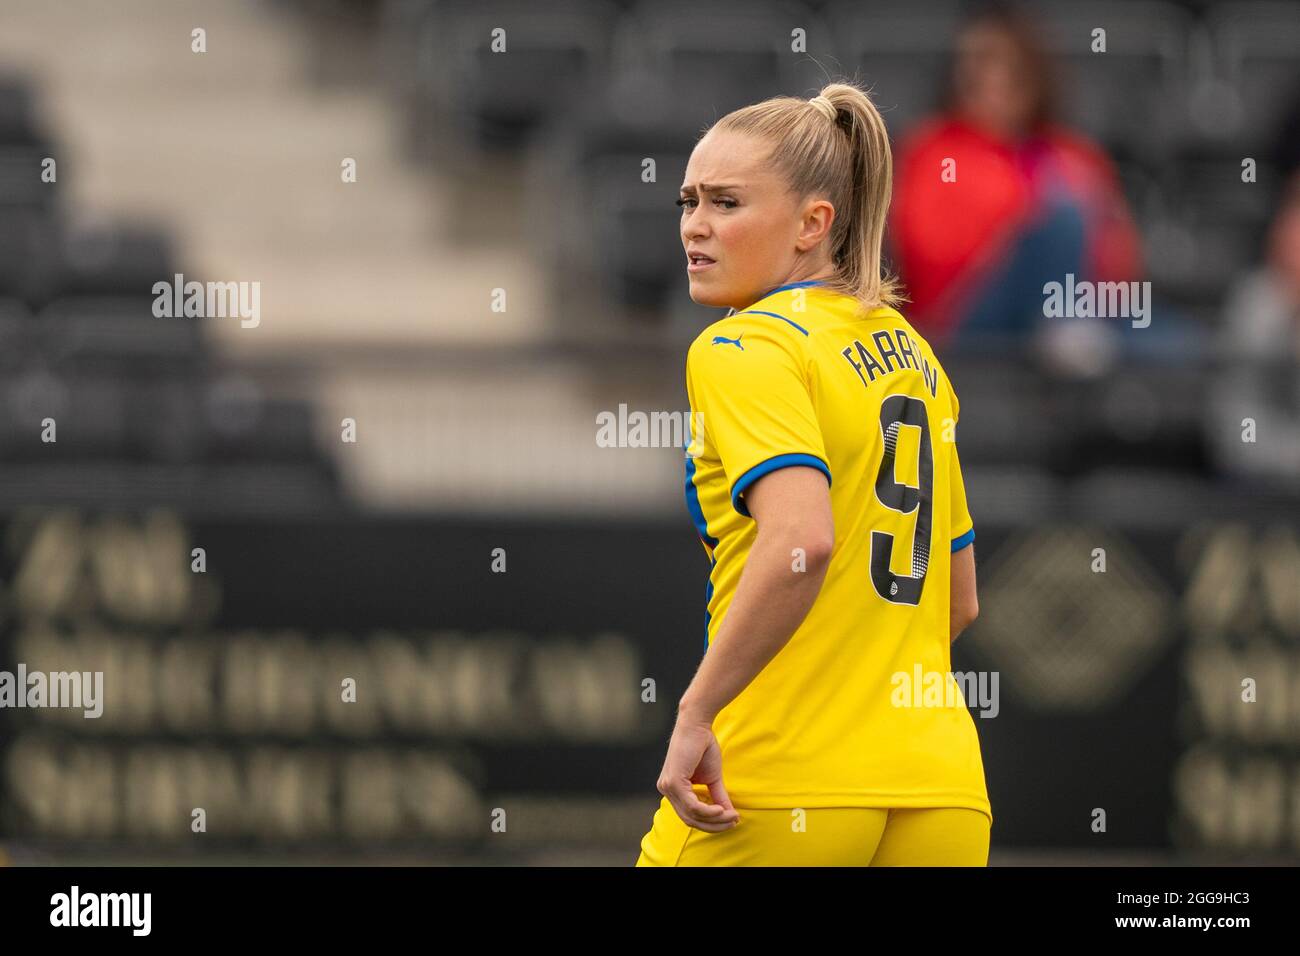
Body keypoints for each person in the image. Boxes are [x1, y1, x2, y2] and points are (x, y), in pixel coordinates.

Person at [635, 81, 991, 867]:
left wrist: (696, 711)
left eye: (727, 203)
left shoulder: (744, 345)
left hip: (779, 775)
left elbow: (803, 540)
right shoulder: (913, 352)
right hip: (942, 789)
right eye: (688, 201)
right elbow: (958, 599)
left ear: (813, 223)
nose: (695, 225)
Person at [890, 2, 1142, 349]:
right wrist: (1024, 227)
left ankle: (1069, 328)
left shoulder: (1074, 153)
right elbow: (929, 260)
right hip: (967, 319)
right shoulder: (931, 150)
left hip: (1087, 309)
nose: (992, 78)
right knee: (1063, 218)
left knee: (1177, 343)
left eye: (1006, 65)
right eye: (977, 64)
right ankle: (1065, 328)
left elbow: (1121, 261)